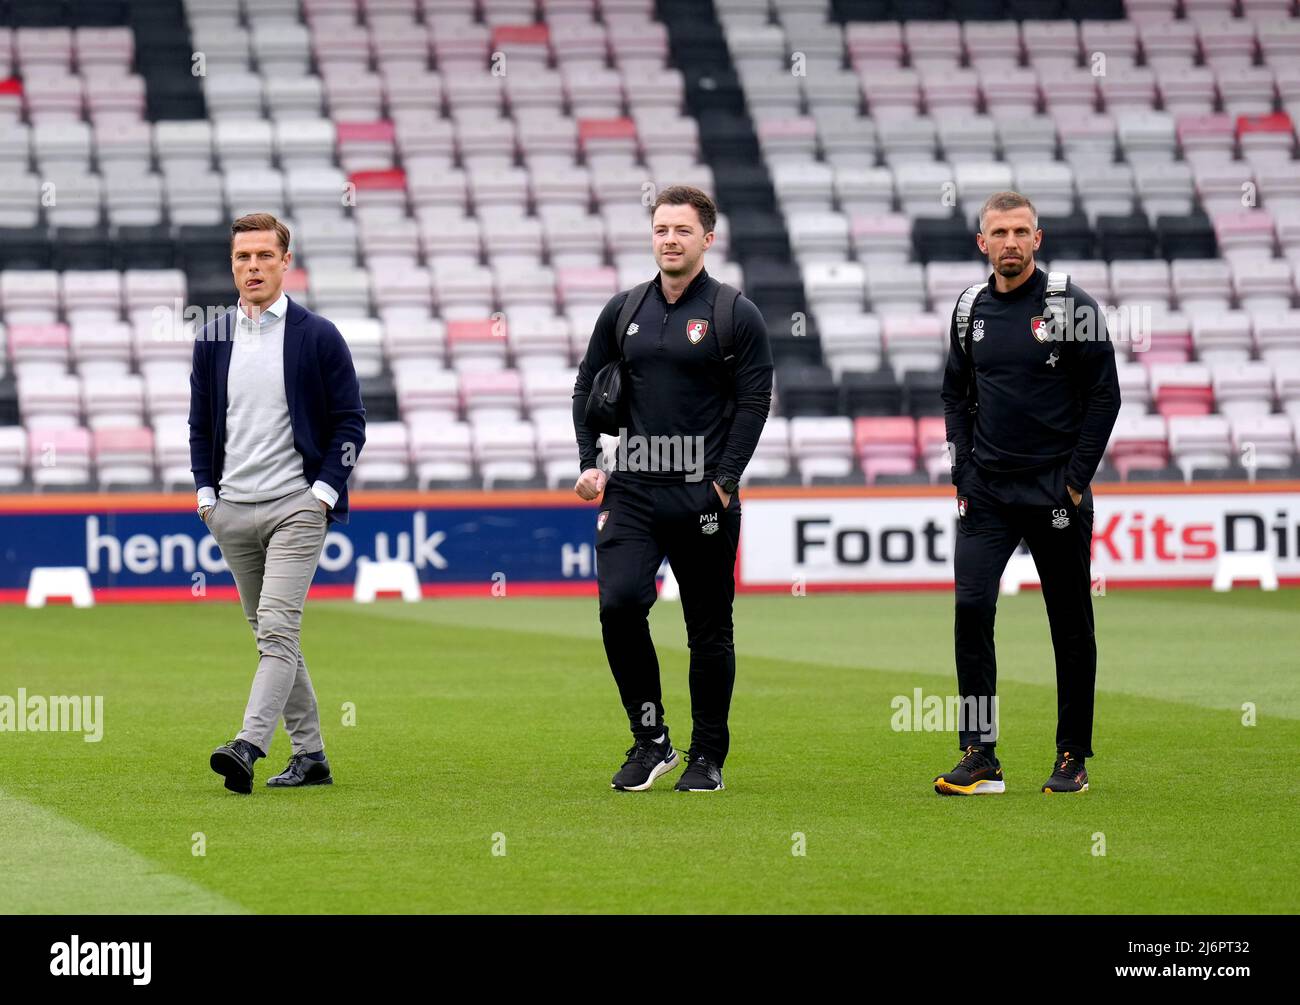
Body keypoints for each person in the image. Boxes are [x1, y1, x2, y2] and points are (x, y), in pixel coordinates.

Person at [572, 185, 773, 792]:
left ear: (707, 240)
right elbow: (587, 389)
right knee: (619, 606)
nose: (670, 239)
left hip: (700, 495)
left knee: (707, 630)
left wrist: (723, 483)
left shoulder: (735, 313)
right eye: (661, 229)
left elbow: (755, 402)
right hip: (631, 486)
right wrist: (590, 460)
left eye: (683, 231)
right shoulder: (625, 309)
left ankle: (707, 756)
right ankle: (651, 739)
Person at [936, 191, 1121, 796]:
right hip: (986, 492)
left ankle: (1073, 754)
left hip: (1054, 492)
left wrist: (1074, 478)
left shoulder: (1071, 304)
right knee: (970, 611)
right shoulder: (968, 310)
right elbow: (953, 394)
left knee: (1069, 623)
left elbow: (1105, 395)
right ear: (981, 243)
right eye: (999, 233)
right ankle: (980, 754)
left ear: (1037, 240)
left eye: (1021, 232)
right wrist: (963, 468)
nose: (1010, 242)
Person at [189, 212, 366, 794]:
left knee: (276, 630)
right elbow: (200, 423)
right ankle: (311, 756)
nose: (254, 267)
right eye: (243, 257)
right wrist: (206, 494)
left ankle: (248, 744)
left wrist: (321, 493)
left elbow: (350, 424)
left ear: (286, 262)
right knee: (275, 637)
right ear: (232, 264)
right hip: (231, 511)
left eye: (265, 256)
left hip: (297, 506)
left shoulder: (318, 335)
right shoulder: (213, 335)